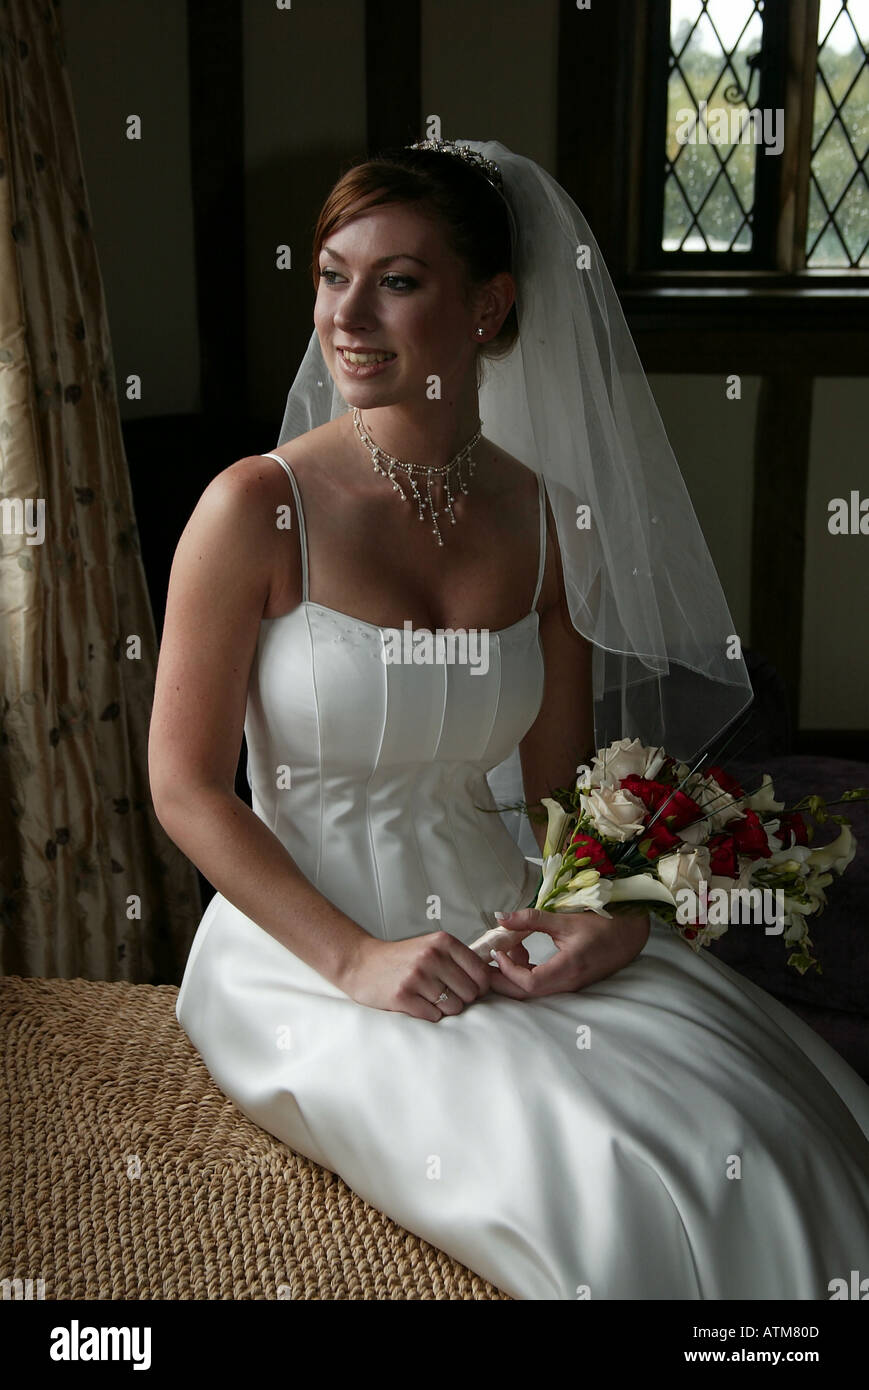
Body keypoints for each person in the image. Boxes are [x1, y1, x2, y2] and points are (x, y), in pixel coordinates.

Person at [149, 139, 869, 1300]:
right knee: (604, 1172)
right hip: (306, 944)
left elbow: (560, 796)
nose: (346, 312)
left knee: (756, 1126)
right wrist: (359, 959)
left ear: (488, 307)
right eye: (332, 274)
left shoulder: (549, 522)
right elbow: (183, 786)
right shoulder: (254, 506)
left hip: (497, 920)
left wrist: (600, 916)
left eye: (397, 279)